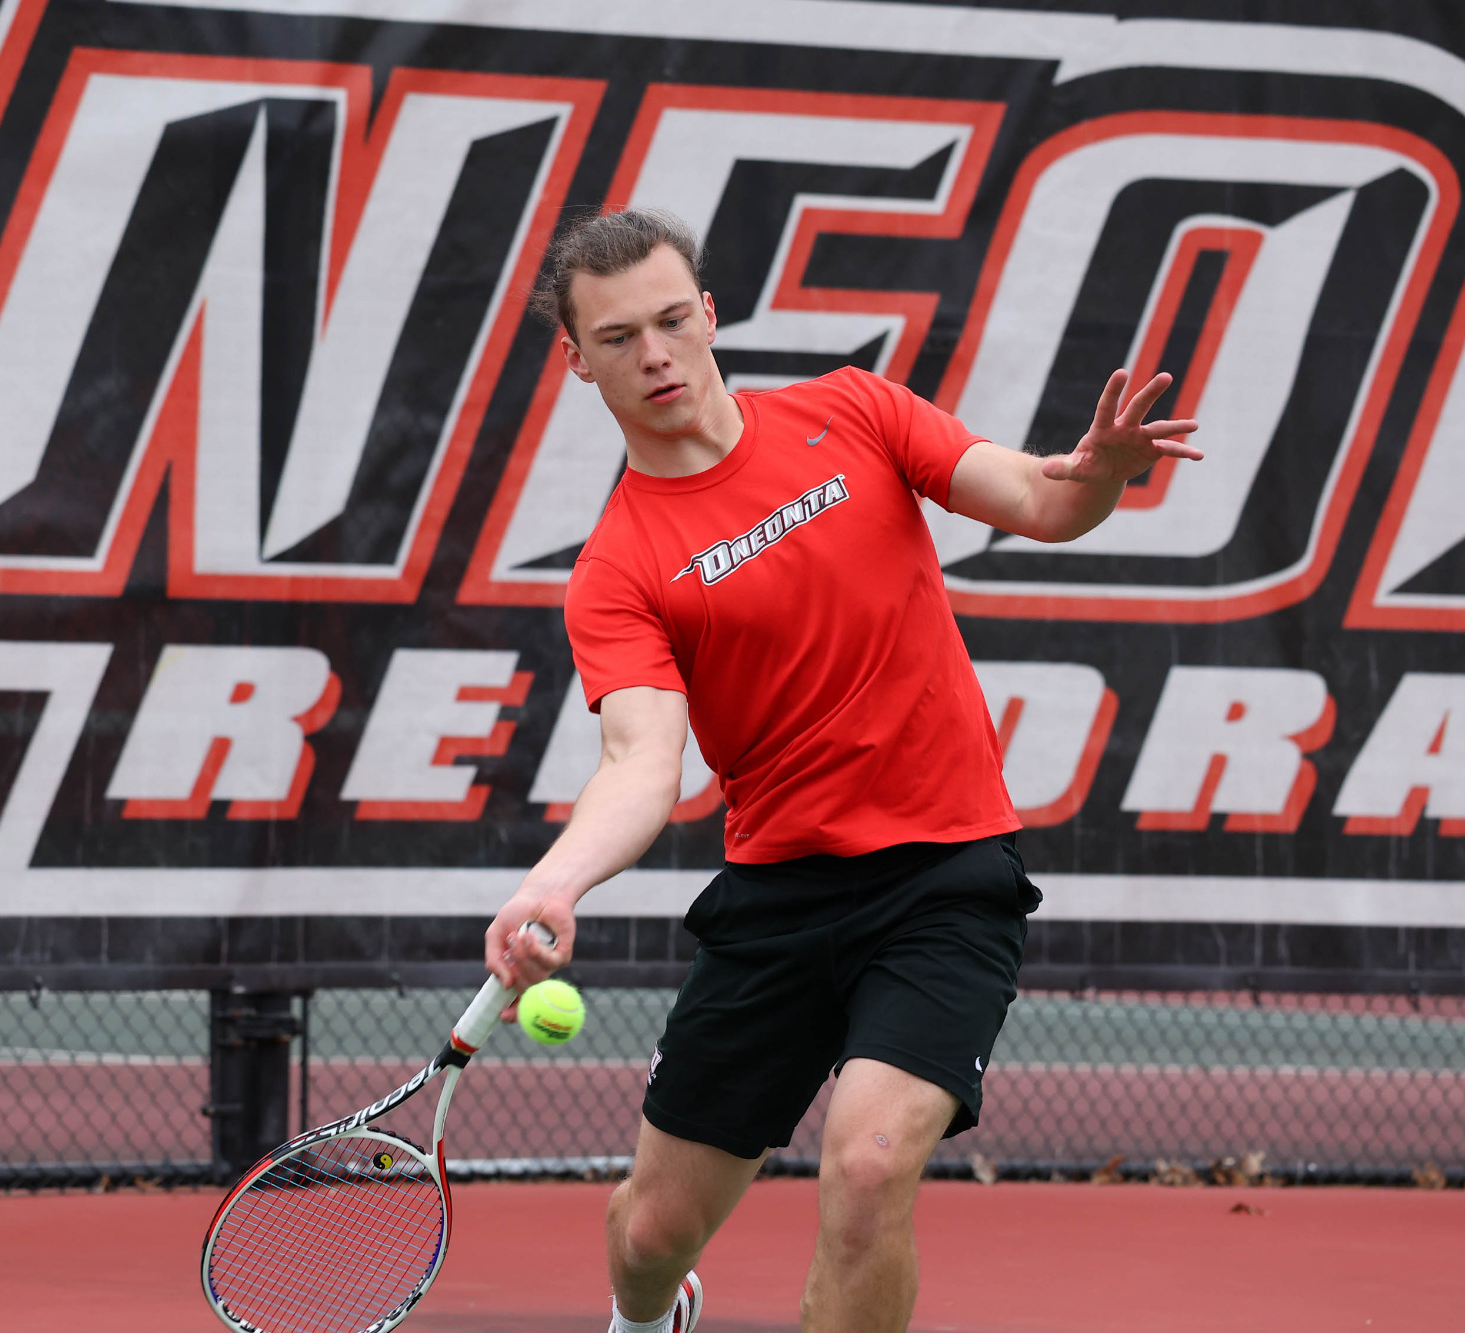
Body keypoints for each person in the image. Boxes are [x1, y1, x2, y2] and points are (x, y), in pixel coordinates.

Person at [483, 208, 1201, 1333]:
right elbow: (641, 761)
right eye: (618, 338)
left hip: (943, 880)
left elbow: (1043, 498)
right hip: (777, 896)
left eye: (673, 320)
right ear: (574, 360)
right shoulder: (616, 567)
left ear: (709, 312)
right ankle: (645, 1318)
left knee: (866, 1173)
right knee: (648, 1235)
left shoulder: (851, 412)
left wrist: (1101, 477)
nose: (657, 354)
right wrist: (554, 882)